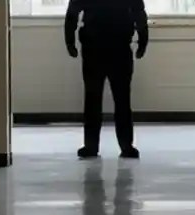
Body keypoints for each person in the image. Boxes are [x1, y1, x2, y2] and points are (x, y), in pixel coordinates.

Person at [64, 0, 149, 159]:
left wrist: (70, 41)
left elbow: (72, 13)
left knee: (93, 99)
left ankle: (91, 146)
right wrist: (143, 40)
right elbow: (139, 13)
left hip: (95, 48)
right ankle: (126, 146)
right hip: (119, 47)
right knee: (121, 99)